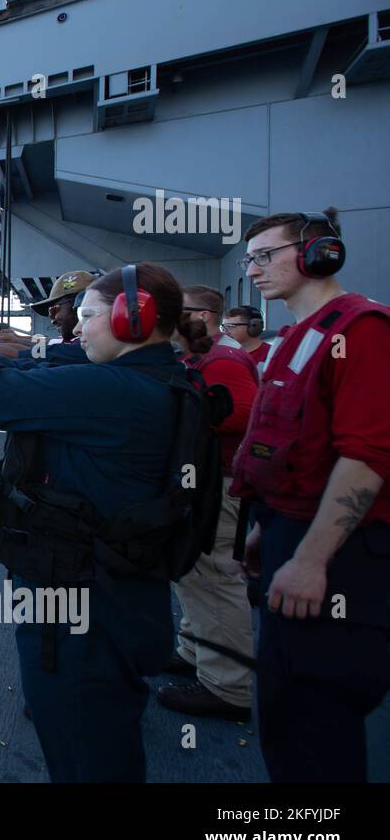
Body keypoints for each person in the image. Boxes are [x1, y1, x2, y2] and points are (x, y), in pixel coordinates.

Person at [0, 263, 196, 782]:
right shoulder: (146, 376)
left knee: (82, 738)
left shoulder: (116, 390)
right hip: (107, 588)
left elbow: (0, 392)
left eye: (89, 315)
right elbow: (28, 369)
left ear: (131, 319)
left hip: (84, 600)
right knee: (94, 728)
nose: (79, 327)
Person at [230, 207, 390, 783]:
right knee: (285, 707)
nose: (252, 271)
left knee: (318, 724)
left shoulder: (361, 330)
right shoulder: (299, 336)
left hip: (340, 557)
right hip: (288, 534)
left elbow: (367, 456)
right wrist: (265, 527)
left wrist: (311, 558)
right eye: (250, 259)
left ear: (320, 253)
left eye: (265, 256)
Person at [160, 286, 259, 720]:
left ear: (201, 315)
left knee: (215, 578)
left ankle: (228, 689)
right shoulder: (207, 356)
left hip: (218, 485)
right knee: (194, 575)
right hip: (204, 482)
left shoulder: (222, 360)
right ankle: (194, 653)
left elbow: (241, 413)